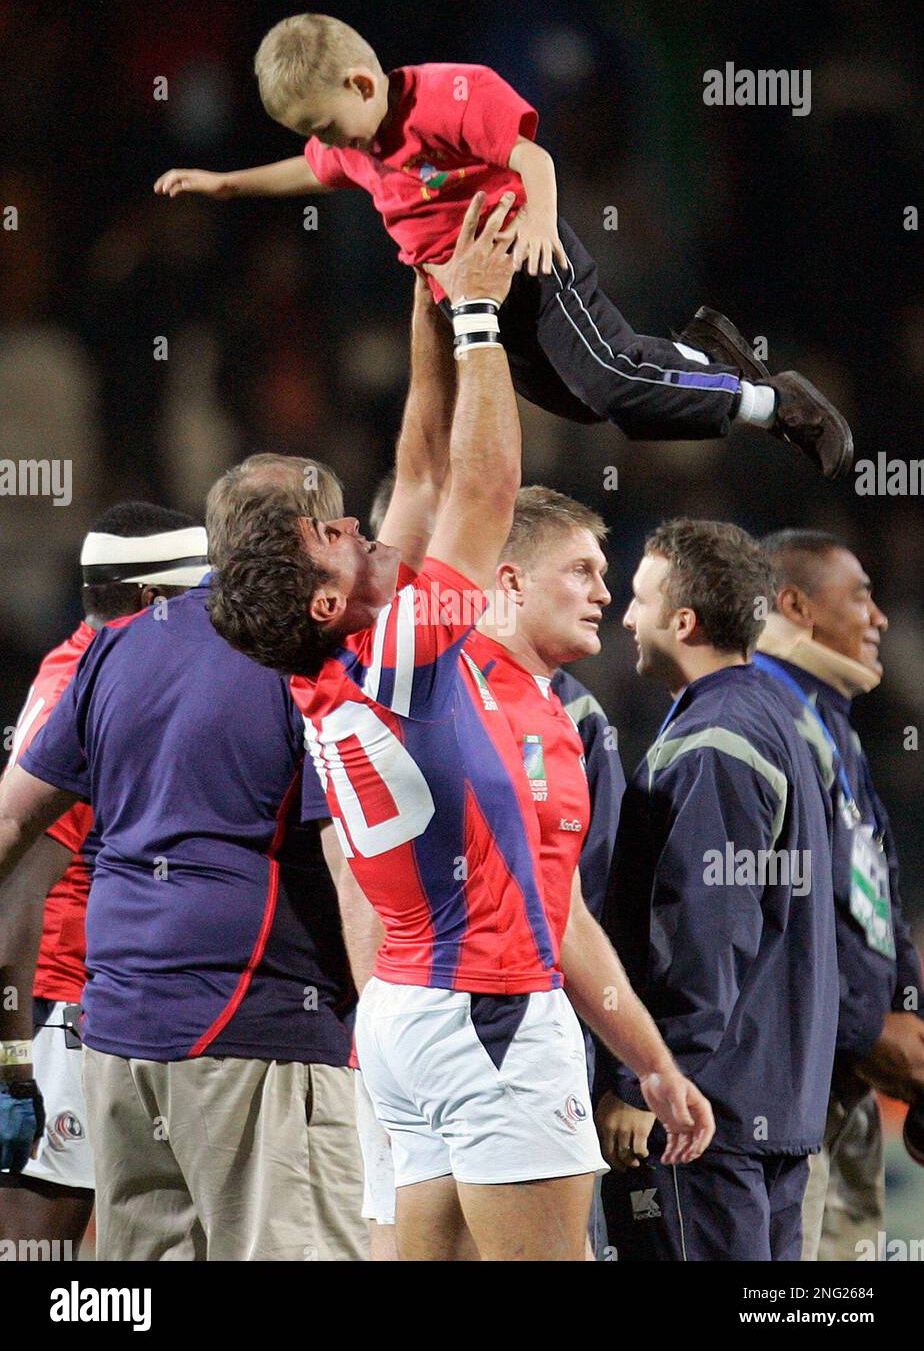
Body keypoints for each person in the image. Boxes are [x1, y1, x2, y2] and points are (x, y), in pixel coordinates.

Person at [208, 192, 714, 1262]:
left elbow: (427, 464)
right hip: (487, 1008)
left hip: (404, 1014)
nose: (353, 522)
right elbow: (480, 487)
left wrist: (429, 287)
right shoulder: (393, 654)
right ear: (320, 599)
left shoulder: (339, 666)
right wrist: (483, 317)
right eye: (330, 536)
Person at [155, 11, 852, 480]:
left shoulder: (447, 95)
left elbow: (533, 160)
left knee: (609, 380)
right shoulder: (356, 143)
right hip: (475, 305)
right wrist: (225, 185)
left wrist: (541, 226)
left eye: (330, 125)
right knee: (589, 401)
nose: (331, 143)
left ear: (362, 84)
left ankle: (775, 403)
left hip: (531, 264)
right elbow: (312, 167)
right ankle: (707, 355)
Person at [0, 454, 369, 1262]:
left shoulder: (109, 652)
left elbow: (11, 829)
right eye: (345, 529)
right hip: (258, 1024)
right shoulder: (308, 657)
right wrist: (384, 1032)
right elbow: (352, 865)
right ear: (312, 537)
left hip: (120, 1034)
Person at [361, 478, 625, 1256]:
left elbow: (564, 906)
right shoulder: (435, 686)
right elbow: (358, 879)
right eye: (582, 571)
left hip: (416, 1009)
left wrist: (650, 1067)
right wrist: (476, 348)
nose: (604, 593)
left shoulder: (547, 706)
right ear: (504, 578)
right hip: (482, 1002)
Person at [596, 518, 839, 1262]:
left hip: (708, 1116)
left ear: (684, 620)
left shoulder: (714, 742)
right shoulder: (778, 722)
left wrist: (649, 1082)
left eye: (639, 599)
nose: (626, 616)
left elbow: (705, 931)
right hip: (767, 1102)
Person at [0, 503, 205, 1257]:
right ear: (154, 603)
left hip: (90, 1006)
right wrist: (14, 1067)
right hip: (55, 1012)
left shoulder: (90, 668)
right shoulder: (89, 692)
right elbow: (17, 889)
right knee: (35, 1254)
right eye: (199, 594)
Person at [757, 530, 924, 1261]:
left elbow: (873, 899)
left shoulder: (835, 730)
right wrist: (867, 1028)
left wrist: (908, 1007)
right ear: (795, 605)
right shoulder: (766, 721)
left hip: (842, 1082)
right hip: (792, 1087)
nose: (879, 617)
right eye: (859, 595)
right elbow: (782, 918)